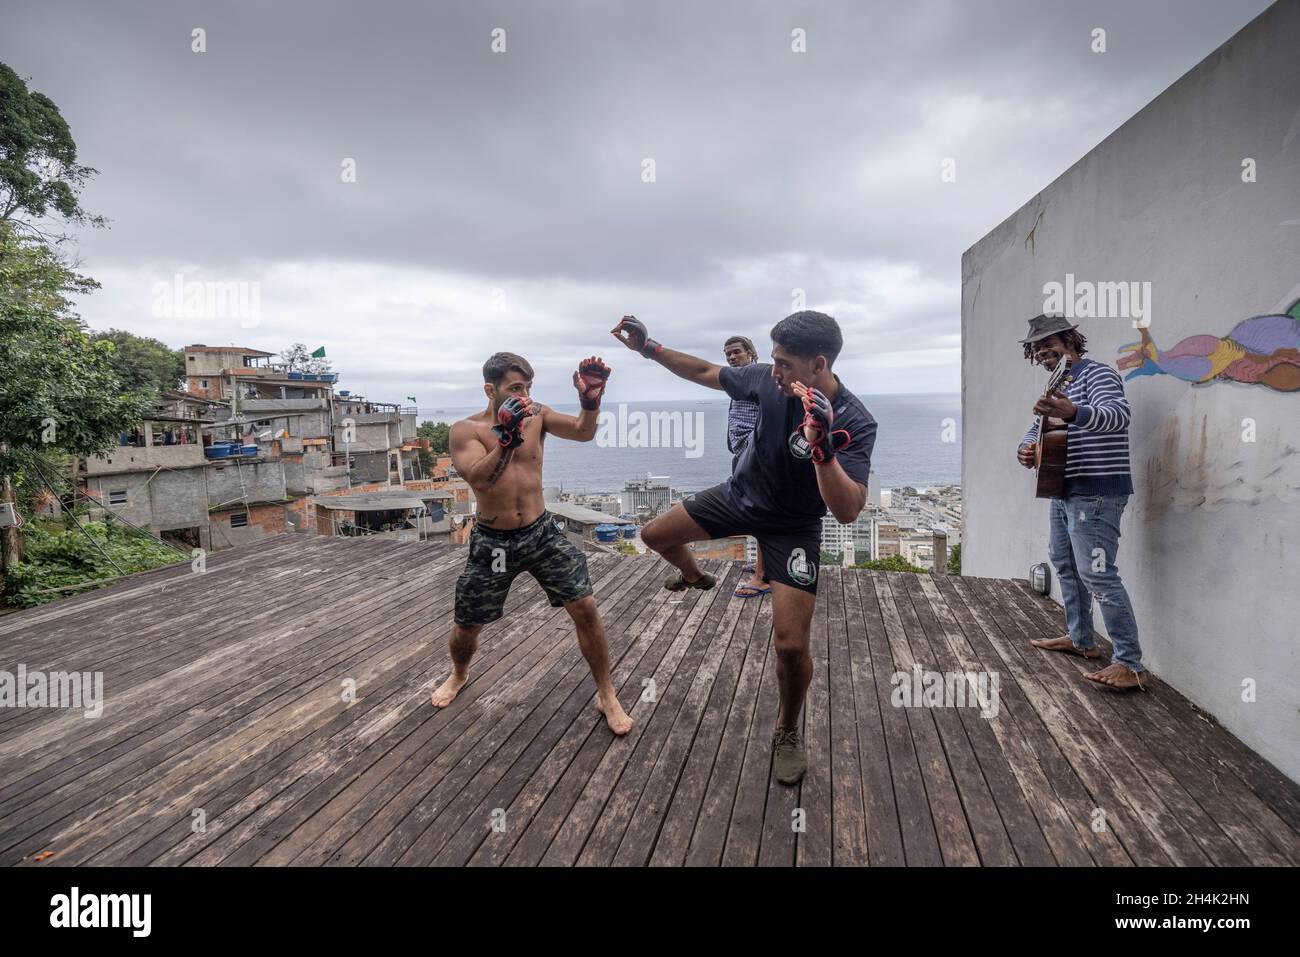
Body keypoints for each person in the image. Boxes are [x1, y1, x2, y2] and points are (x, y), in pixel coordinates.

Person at [612, 311, 876, 783]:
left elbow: (848, 510)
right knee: (654, 535)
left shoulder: (854, 419)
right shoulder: (766, 380)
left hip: (793, 527)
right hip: (739, 497)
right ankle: (694, 576)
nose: (774, 371)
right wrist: (647, 348)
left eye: (785, 364)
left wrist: (823, 450)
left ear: (818, 364)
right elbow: (703, 372)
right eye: (773, 361)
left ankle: (788, 729)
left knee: (792, 647)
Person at [431, 352, 634, 734]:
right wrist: (506, 440)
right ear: (490, 389)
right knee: (468, 623)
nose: (524, 395)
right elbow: (480, 480)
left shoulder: (536, 412)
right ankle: (459, 673)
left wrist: (590, 401)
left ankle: (606, 693)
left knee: (586, 607)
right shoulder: (466, 430)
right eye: (514, 388)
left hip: (541, 533)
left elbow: (582, 431)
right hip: (493, 543)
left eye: (527, 387)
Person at [1016, 314, 1147, 691]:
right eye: (1036, 347)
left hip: (1097, 490)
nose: (1041, 350)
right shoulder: (1058, 385)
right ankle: (1081, 639)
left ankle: (1130, 663)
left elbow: (1119, 417)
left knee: (1098, 575)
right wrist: (1026, 450)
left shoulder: (1098, 375)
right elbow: (1036, 430)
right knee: (1065, 564)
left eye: (1048, 342)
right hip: (1063, 489)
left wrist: (1074, 412)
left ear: (1071, 340)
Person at [723, 335, 769, 598]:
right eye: (727, 353)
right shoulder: (738, 381)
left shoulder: (758, 378)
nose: (731, 357)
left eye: (736, 352)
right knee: (753, 512)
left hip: (755, 456)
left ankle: (762, 576)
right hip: (744, 452)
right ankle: (764, 564)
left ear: (751, 353)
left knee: (761, 513)